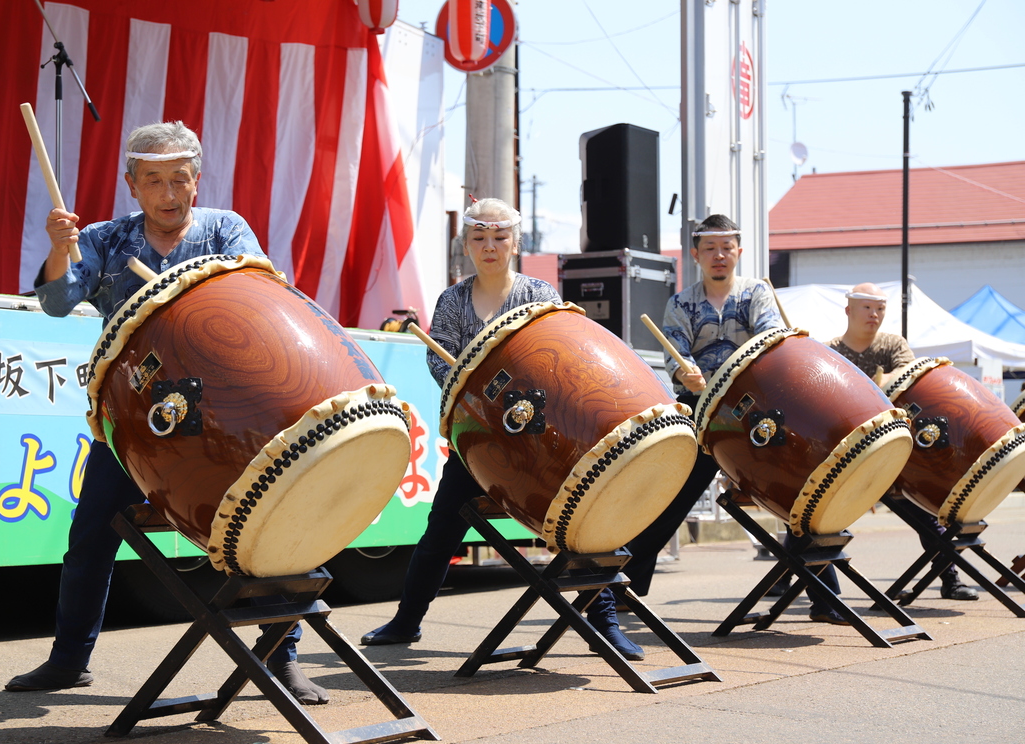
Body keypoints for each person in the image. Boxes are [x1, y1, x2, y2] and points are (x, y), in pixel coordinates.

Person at [4, 122, 329, 704]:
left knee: (266, 522)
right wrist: (59, 247)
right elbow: (56, 303)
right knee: (91, 535)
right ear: (133, 185)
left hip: (226, 417)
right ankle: (68, 658)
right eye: (154, 180)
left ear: (196, 182)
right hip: (134, 423)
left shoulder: (226, 231)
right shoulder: (105, 240)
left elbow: (261, 293)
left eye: (179, 179)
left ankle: (283, 656)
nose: (168, 192)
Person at [358, 197, 646, 661]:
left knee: (589, 519)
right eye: (479, 238)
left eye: (499, 237)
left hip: (544, 441)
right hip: (478, 438)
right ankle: (406, 620)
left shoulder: (540, 295)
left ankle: (605, 622)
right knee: (440, 531)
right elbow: (439, 360)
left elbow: (562, 361)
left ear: (515, 242)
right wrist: (481, 392)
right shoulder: (452, 300)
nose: (489, 246)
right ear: (466, 245)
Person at [618, 214, 849, 625]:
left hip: (757, 413)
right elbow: (677, 351)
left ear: (739, 251)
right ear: (695, 255)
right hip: (703, 413)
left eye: (726, 247)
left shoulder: (756, 293)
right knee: (668, 497)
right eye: (709, 248)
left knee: (796, 489)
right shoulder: (680, 304)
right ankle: (626, 587)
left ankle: (826, 598)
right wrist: (683, 370)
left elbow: (769, 339)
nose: (719, 255)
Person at [827, 282, 978, 601]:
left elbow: (907, 382)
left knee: (927, 516)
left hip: (892, 456)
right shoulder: (830, 352)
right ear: (849, 310)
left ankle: (950, 579)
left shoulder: (893, 345)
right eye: (866, 307)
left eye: (880, 308)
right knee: (811, 513)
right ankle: (789, 576)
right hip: (846, 454)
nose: (874, 314)